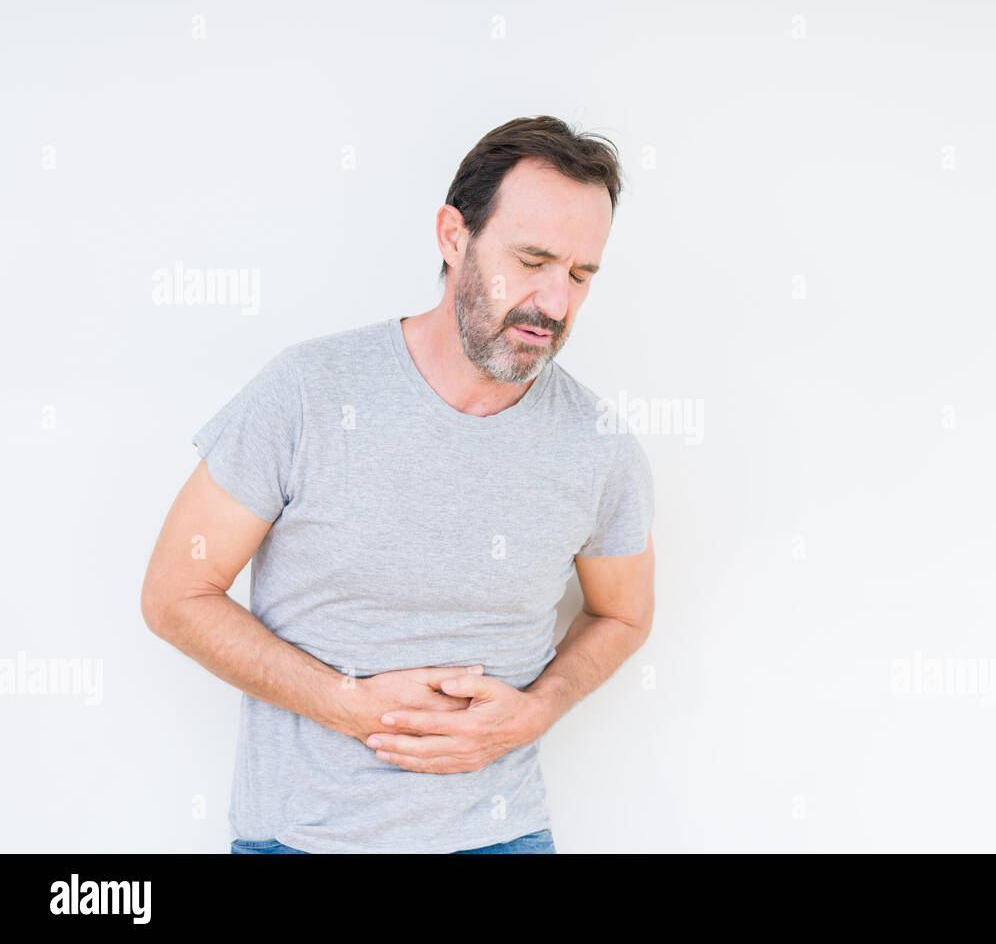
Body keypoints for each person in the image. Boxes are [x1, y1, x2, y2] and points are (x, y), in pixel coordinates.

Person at [140, 116, 655, 854]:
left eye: (580, 275)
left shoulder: (597, 447)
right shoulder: (307, 393)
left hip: (501, 838)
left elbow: (624, 614)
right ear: (454, 237)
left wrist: (537, 709)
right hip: (305, 841)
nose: (556, 303)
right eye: (533, 260)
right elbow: (174, 594)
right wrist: (346, 704)